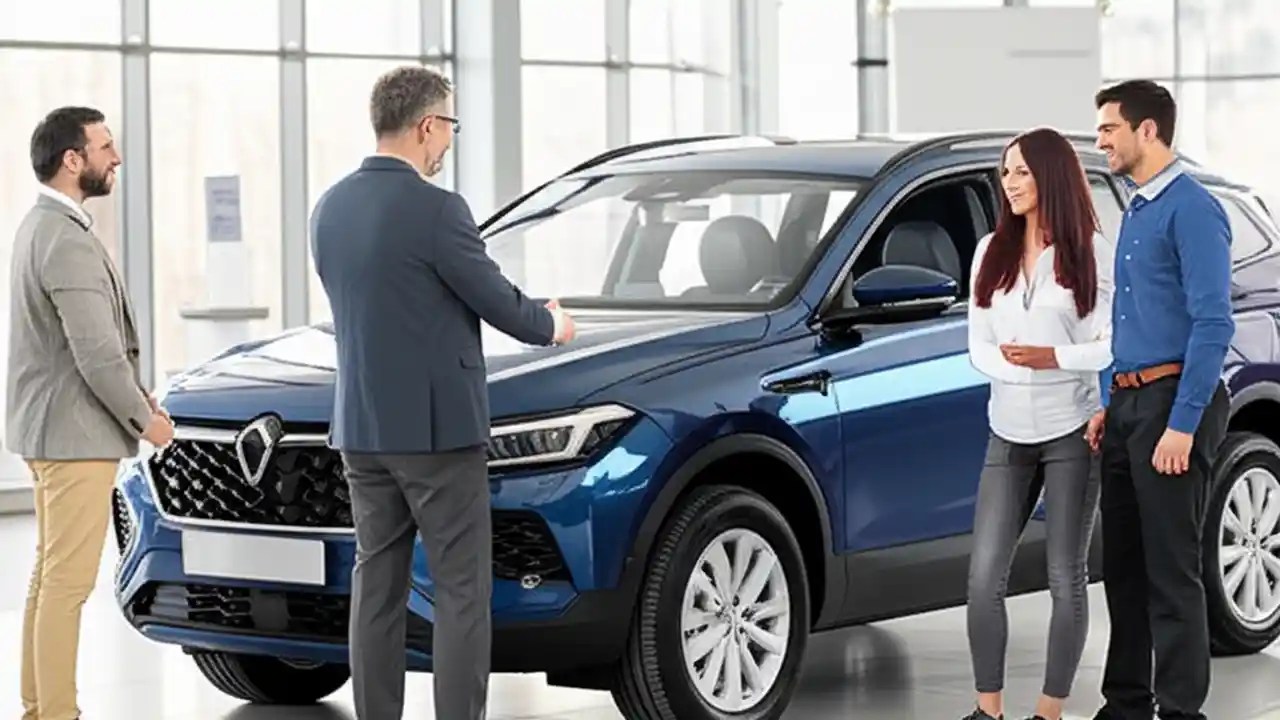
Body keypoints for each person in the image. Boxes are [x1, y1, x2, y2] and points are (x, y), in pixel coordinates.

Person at [310, 65, 575, 720]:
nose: (449, 142)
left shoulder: (330, 208)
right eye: (449, 127)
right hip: (435, 433)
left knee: (377, 584)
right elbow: (495, 299)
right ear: (427, 126)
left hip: (362, 431)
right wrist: (551, 324)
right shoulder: (437, 210)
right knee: (460, 590)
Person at [6, 106, 174, 720]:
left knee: (47, 578)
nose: (116, 157)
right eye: (105, 147)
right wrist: (147, 421)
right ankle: (56, 713)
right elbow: (97, 356)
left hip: (49, 428)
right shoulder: (64, 238)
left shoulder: (40, 226)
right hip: (74, 436)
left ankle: (37, 707)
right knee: (68, 585)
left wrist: (139, 396)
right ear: (73, 160)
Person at [1088, 80, 1232, 720]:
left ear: (1149, 131)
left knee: (1172, 574)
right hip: (1127, 407)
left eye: (1109, 129)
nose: (1101, 141)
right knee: (1121, 568)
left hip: (1173, 405)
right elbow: (1129, 318)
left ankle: (1179, 712)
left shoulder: (1192, 209)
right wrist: (1106, 400)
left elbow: (1213, 324)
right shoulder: (1139, 208)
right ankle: (1125, 705)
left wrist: (1183, 423)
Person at [962, 127, 1115, 720]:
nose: (1011, 183)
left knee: (1064, 578)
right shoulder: (988, 251)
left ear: (1051, 175)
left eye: (1022, 171)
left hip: (1071, 429)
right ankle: (988, 710)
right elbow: (978, 343)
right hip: (1007, 430)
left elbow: (1110, 344)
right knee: (982, 579)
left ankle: (1049, 713)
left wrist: (1055, 360)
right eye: (1006, 172)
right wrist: (1015, 370)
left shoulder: (1091, 252)